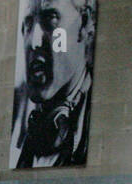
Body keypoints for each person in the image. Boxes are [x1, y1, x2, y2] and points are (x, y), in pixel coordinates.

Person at [10, 0, 96, 168]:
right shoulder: (16, 112)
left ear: (83, 26)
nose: (35, 42)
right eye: (28, 24)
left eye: (50, 19)